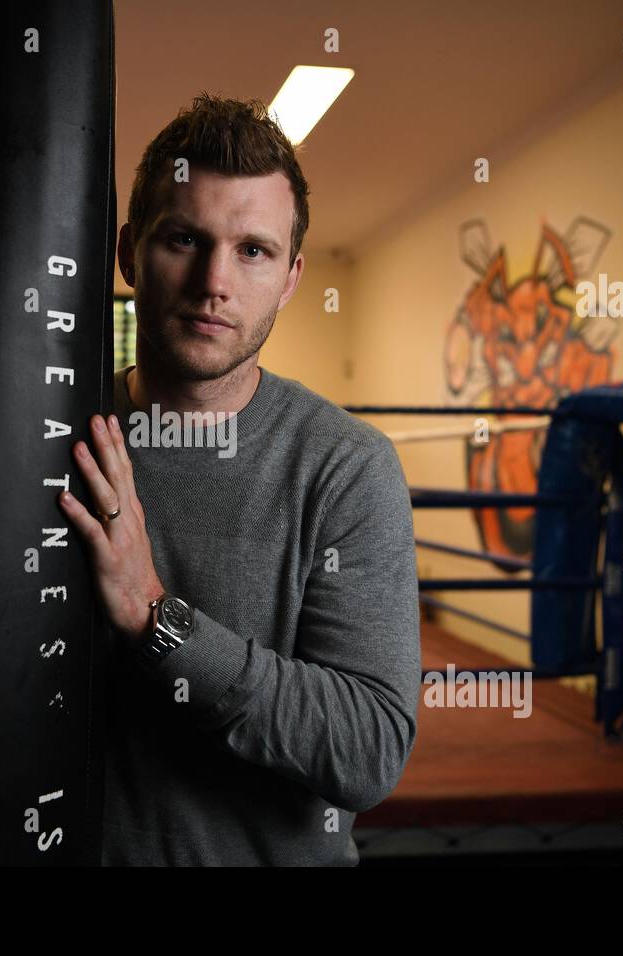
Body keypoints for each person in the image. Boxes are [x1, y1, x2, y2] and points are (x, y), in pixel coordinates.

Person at [58, 93, 421, 865]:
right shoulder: (57, 436)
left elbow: (367, 750)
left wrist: (156, 616)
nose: (213, 281)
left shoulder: (346, 468)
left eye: (252, 250)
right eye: (184, 239)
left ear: (290, 277)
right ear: (129, 253)